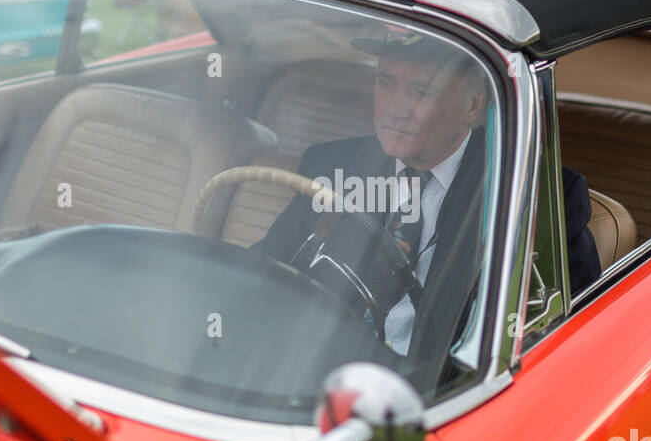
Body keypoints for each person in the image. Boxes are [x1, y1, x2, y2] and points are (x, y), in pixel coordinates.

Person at [254, 26, 602, 358]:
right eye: (385, 82)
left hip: (449, 398)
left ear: (473, 105)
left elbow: (570, 338)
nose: (394, 107)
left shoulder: (532, 195)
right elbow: (263, 270)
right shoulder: (331, 165)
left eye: (421, 91)